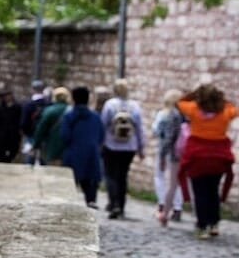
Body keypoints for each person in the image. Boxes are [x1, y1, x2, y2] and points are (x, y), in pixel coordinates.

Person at [176, 83, 237, 238]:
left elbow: (179, 102)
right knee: (213, 191)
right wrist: (221, 99)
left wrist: (193, 93)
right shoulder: (225, 111)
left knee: (200, 192)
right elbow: (235, 108)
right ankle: (214, 224)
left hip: (197, 158)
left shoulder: (193, 109)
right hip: (218, 158)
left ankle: (202, 226)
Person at [100, 78, 145, 219]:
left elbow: (103, 124)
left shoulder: (110, 105)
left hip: (111, 145)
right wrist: (141, 147)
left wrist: (100, 142)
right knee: (123, 176)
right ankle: (122, 205)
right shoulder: (134, 106)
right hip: (129, 147)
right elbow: (139, 128)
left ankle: (114, 204)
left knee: (110, 174)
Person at [60, 86, 105, 206]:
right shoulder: (95, 116)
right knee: (90, 187)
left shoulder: (69, 116)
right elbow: (101, 135)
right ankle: (91, 202)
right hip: (92, 154)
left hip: (73, 154)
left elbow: (64, 136)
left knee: (69, 187)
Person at [151, 89, 185, 225]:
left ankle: (162, 204)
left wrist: (162, 155)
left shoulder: (164, 115)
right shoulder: (185, 116)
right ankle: (177, 207)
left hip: (166, 150)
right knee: (179, 182)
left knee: (160, 177)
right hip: (182, 151)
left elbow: (157, 131)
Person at [32, 86, 71, 166]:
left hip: (51, 149)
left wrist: (35, 145)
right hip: (68, 150)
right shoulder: (72, 111)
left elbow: (40, 130)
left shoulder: (49, 110)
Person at [0, 86, 22, 163]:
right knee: (0, 148)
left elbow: (19, 119)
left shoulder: (17, 107)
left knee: (13, 148)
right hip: (2, 132)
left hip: (13, 132)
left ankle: (9, 159)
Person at [20, 79, 48, 164]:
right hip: (44, 135)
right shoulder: (47, 103)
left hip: (30, 134)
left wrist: (24, 131)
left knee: (29, 157)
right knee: (43, 158)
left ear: (33, 89)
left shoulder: (28, 104)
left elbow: (24, 121)